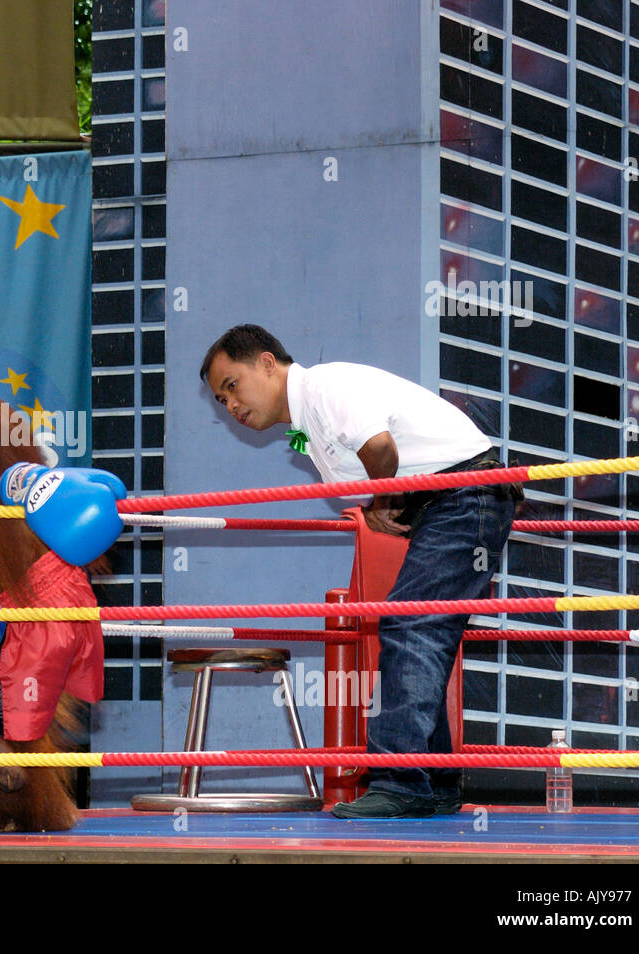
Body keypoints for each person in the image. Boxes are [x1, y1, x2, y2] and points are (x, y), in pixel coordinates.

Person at [201, 324, 519, 818]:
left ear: (266, 362)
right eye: (221, 400)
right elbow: (383, 473)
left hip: (464, 494)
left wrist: (381, 497)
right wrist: (381, 503)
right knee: (416, 627)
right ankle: (431, 781)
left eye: (232, 386)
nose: (231, 406)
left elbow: (382, 451)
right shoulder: (306, 422)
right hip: (452, 501)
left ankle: (400, 781)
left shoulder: (324, 388)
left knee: (409, 624)